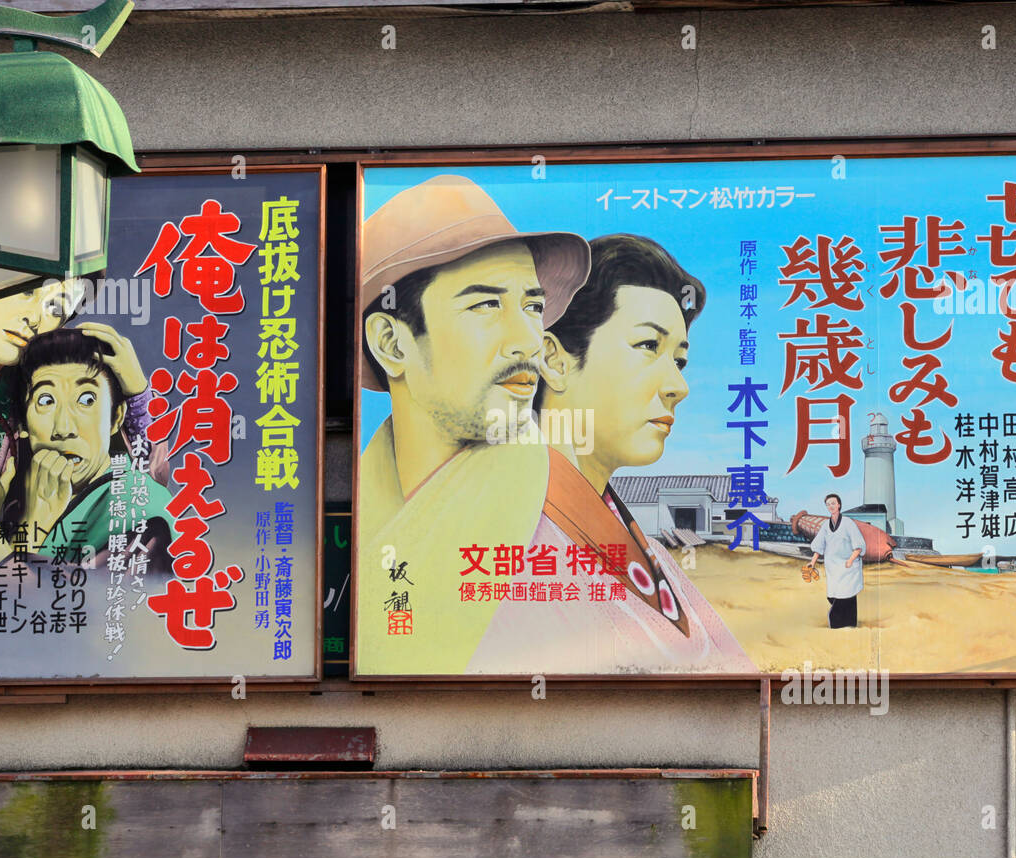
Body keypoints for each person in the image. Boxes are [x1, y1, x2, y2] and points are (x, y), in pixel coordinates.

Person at [464, 234, 756, 674]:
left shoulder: (651, 555)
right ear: (554, 361)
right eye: (647, 346)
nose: (679, 386)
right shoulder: (502, 543)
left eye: (679, 361)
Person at [355, 174, 590, 674]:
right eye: (486, 305)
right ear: (393, 345)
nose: (529, 340)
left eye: (532, 306)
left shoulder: (564, 516)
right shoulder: (351, 511)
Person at [0, 277, 160, 582]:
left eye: (55, 307)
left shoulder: (30, 403)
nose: (34, 317)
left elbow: (146, 480)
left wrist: (136, 392)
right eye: (27, 290)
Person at [807, 493, 865, 628]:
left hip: (848, 567)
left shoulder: (848, 523)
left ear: (839, 505)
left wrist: (851, 560)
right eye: (828, 504)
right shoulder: (826, 526)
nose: (831, 506)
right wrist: (813, 561)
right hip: (833, 568)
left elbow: (859, 545)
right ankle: (850, 623)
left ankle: (839, 625)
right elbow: (819, 544)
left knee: (845, 597)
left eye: (833, 503)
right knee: (834, 597)